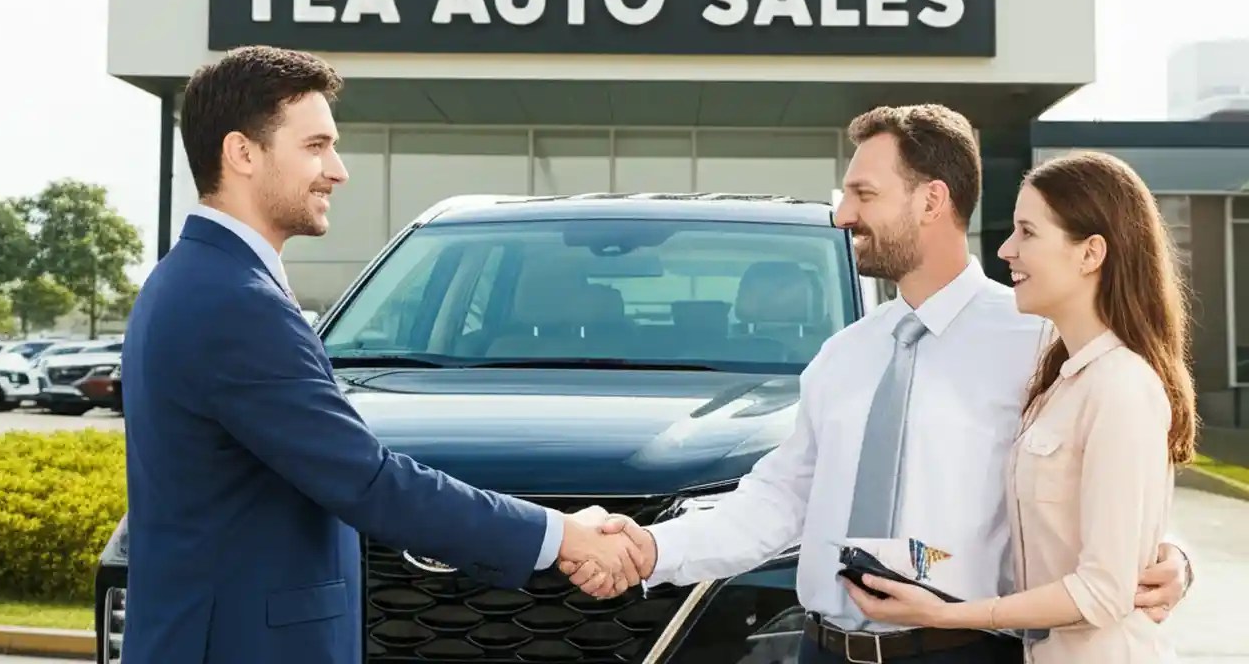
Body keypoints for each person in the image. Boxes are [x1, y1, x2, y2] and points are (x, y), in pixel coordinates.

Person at [562, 105, 1193, 663]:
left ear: (930, 200)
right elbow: (778, 501)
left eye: (864, 193)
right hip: (825, 648)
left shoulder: (1041, 342)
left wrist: (1170, 555)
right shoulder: (844, 356)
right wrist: (651, 548)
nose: (842, 215)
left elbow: (1109, 486)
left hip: (967, 651)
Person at [118, 45, 644, 664]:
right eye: (315, 146)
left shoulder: (194, 279)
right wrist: (562, 535)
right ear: (243, 153)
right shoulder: (232, 301)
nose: (337, 170)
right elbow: (368, 481)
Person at [841, 150, 1196, 663]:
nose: (1006, 249)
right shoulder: (1058, 382)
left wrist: (944, 614)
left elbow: (1103, 591)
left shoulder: (1121, 386)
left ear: (1090, 253)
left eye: (1028, 232)